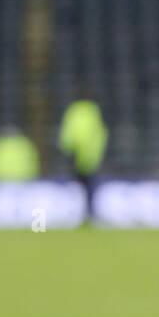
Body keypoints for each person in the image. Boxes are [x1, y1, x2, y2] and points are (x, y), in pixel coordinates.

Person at [58, 93, 108, 222]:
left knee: (78, 186)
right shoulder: (93, 111)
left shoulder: (73, 111)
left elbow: (68, 132)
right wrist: (98, 152)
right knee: (90, 187)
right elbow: (100, 133)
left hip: (76, 155)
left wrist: (67, 149)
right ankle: (90, 213)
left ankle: (79, 213)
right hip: (91, 156)